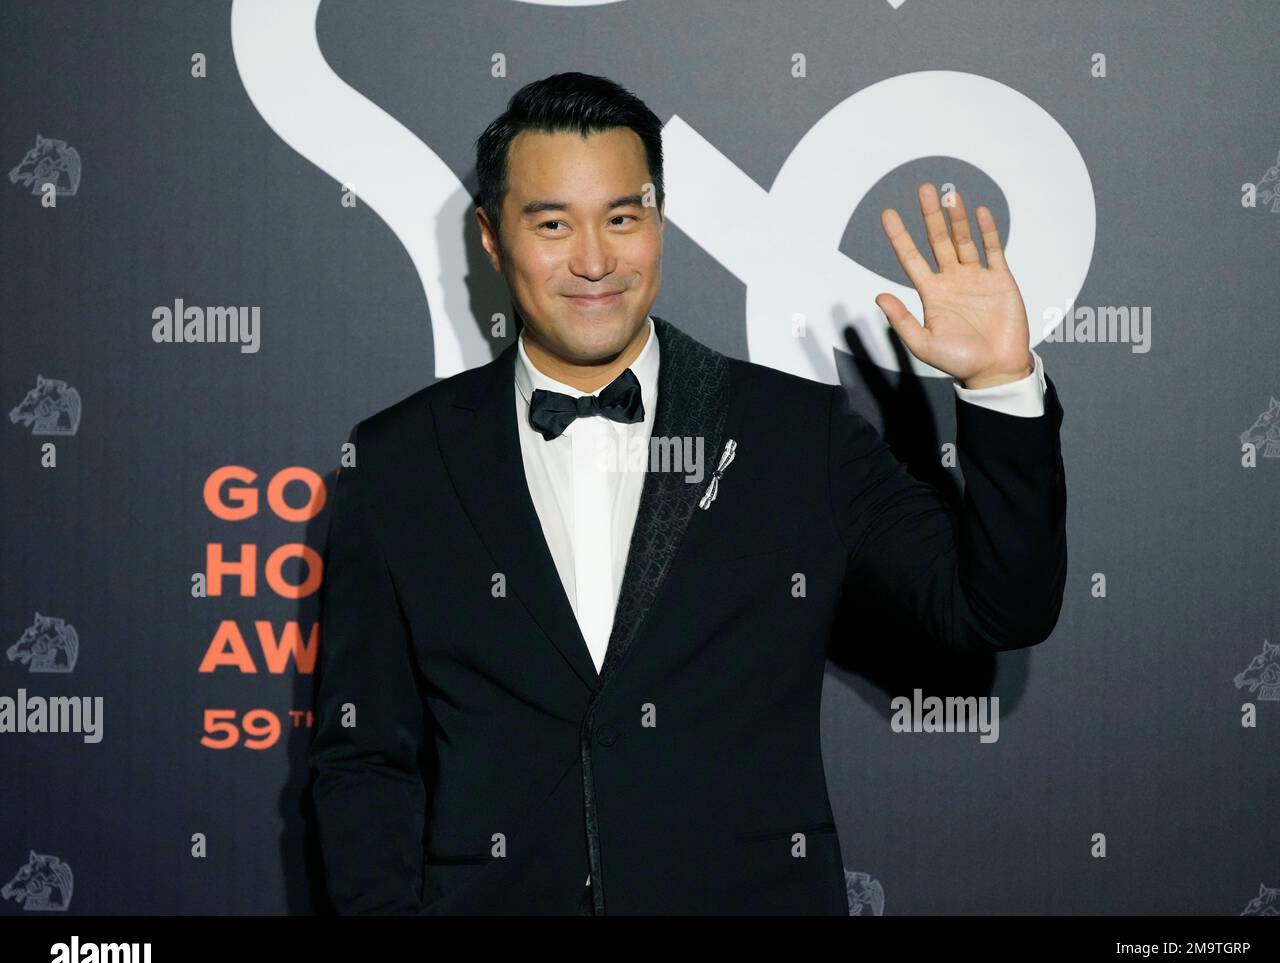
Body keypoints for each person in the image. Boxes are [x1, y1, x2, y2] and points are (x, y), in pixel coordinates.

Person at [308, 71, 1066, 915]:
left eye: (622, 218)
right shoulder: (398, 463)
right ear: (492, 240)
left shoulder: (794, 434)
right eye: (552, 223)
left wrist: (1001, 386)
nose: (594, 261)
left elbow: (997, 610)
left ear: (658, 223)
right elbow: (362, 759)